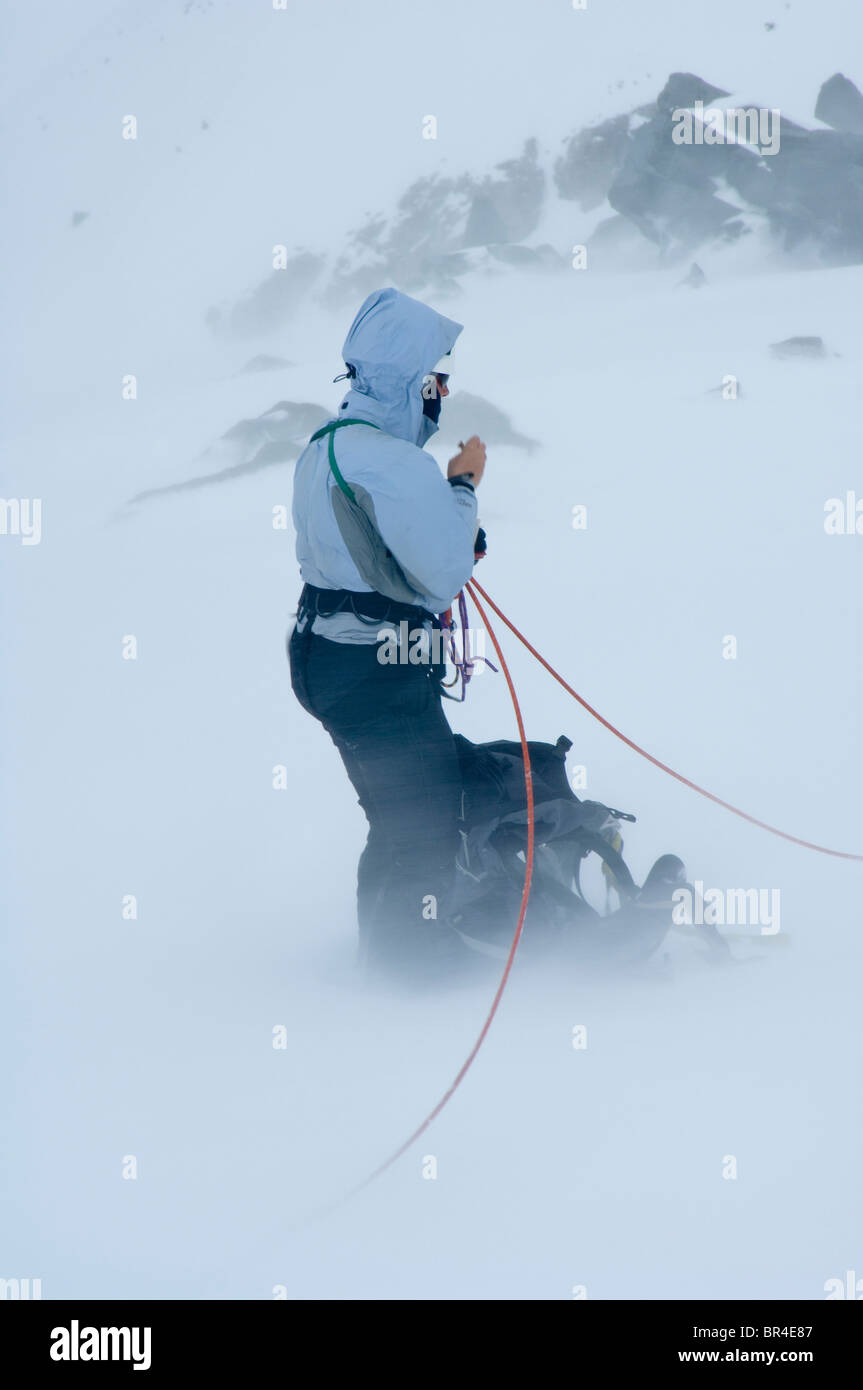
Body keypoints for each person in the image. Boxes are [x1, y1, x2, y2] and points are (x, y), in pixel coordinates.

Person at [289, 287, 487, 980]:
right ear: (413, 380)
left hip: (324, 655)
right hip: (373, 666)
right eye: (437, 379)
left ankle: (383, 949)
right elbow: (442, 575)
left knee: (395, 817)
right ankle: (418, 970)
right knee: (426, 825)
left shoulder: (324, 446)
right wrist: (463, 489)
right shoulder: (394, 462)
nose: (440, 394)